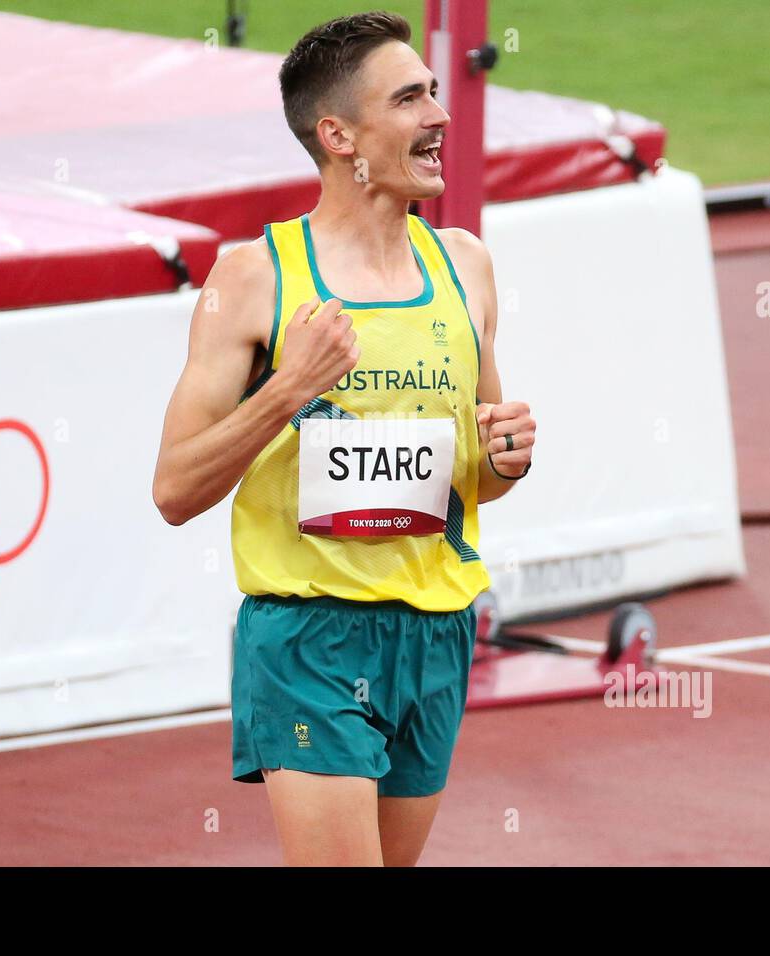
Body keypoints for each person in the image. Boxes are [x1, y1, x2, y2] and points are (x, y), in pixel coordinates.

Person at [153, 10, 535, 866]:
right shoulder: (253, 280)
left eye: (435, 92)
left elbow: (479, 476)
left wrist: (508, 455)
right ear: (339, 135)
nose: (438, 115)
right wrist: (289, 389)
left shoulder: (464, 265)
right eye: (409, 99)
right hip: (308, 639)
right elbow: (174, 489)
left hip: (436, 631)